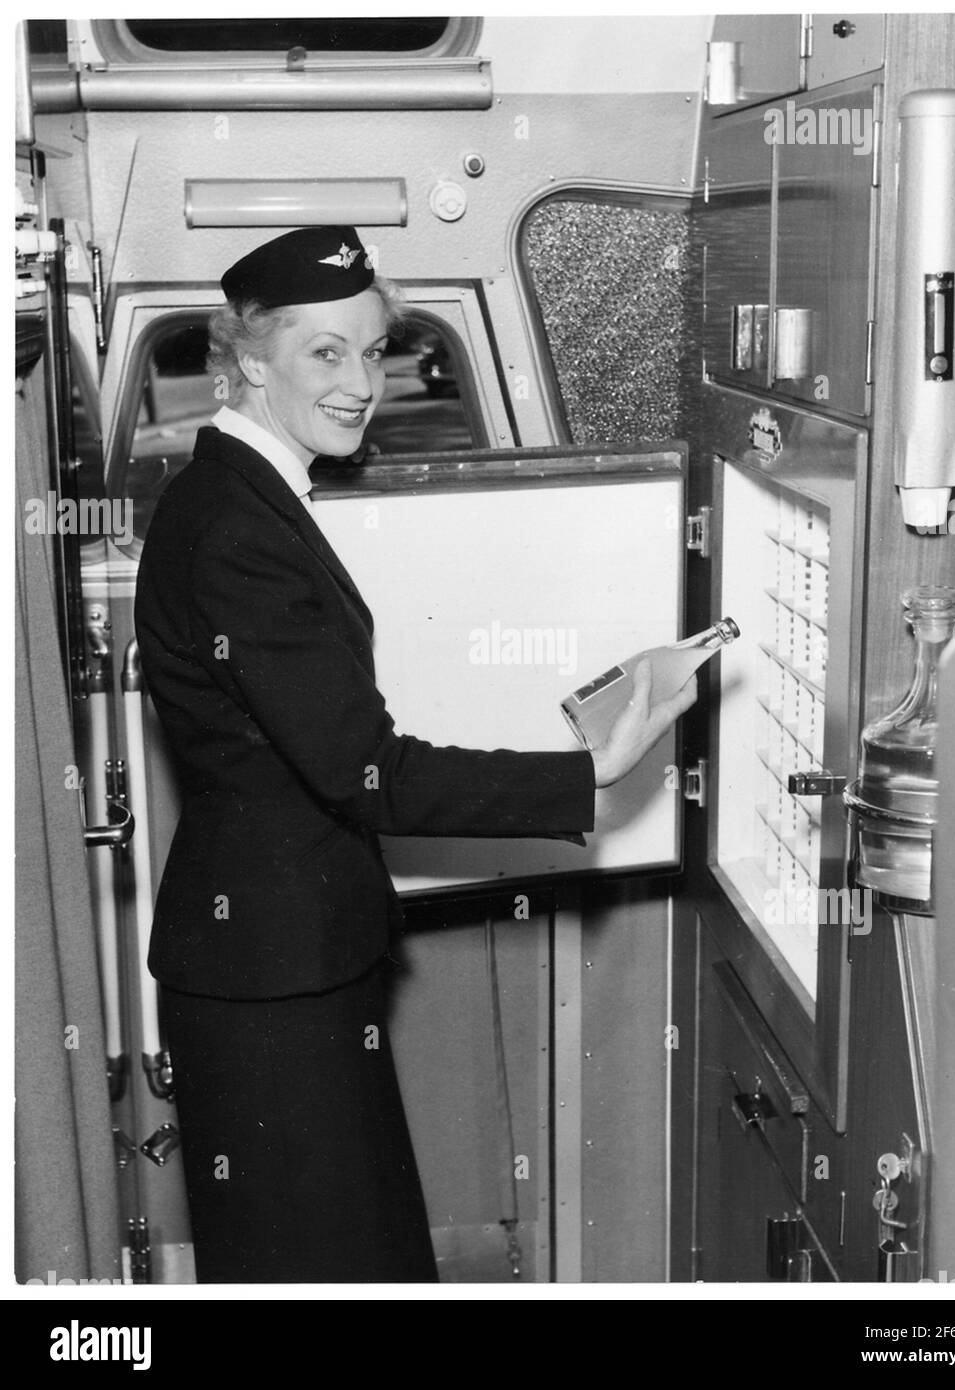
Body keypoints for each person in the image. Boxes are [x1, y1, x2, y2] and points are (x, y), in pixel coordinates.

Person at [133, 225, 697, 1283]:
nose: (361, 383)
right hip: (269, 976)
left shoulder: (247, 493)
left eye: (374, 349)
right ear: (250, 358)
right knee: (314, 1263)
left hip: (286, 952)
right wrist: (590, 771)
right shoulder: (235, 529)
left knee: (344, 1252)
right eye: (324, 353)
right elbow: (365, 770)